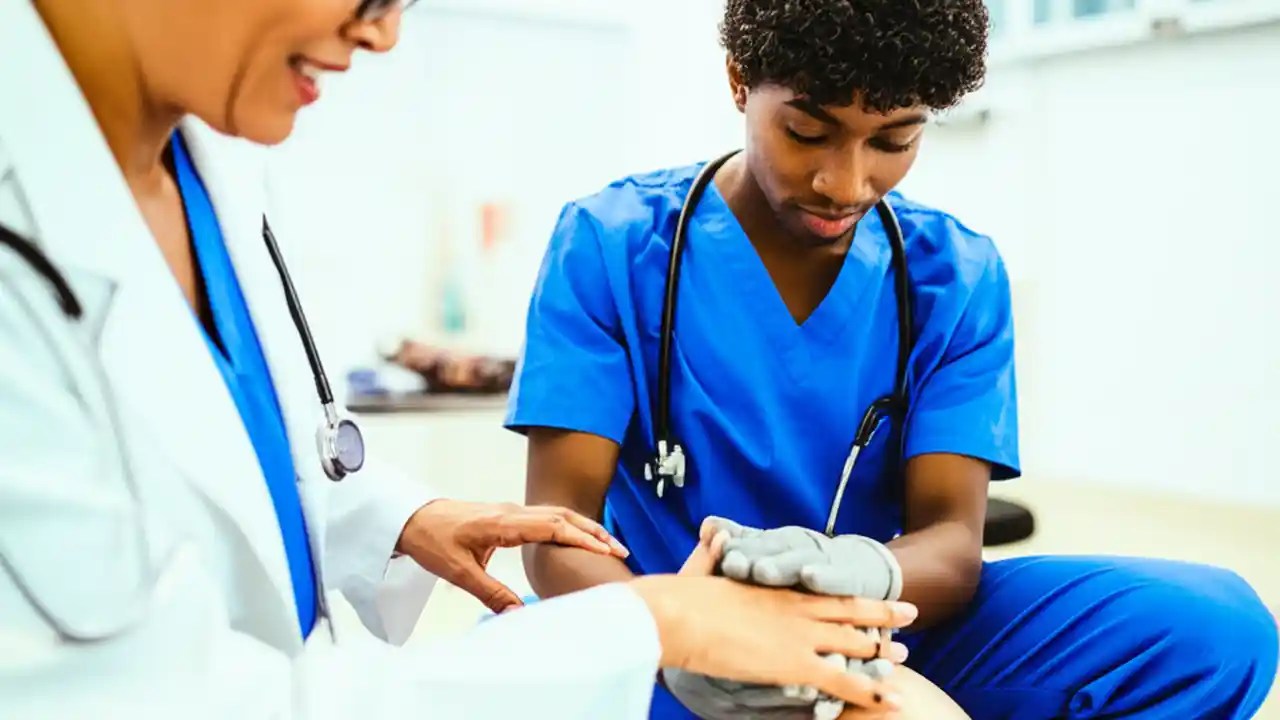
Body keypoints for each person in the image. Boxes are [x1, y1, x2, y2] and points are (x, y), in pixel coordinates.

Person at [0, 0, 916, 717]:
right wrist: (652, 622)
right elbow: (168, 698)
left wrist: (399, 517)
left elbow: (227, 435)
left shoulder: (212, 156)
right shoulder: (609, 240)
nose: (386, 33)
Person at [506, 0, 1280, 718]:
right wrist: (681, 633)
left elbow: (951, 543)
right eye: (807, 132)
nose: (844, 183)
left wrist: (865, 578)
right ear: (740, 82)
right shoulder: (610, 243)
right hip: (664, 630)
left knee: (1216, 628)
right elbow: (557, 534)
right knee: (497, 675)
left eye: (894, 140)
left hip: (885, 625)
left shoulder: (954, 274)